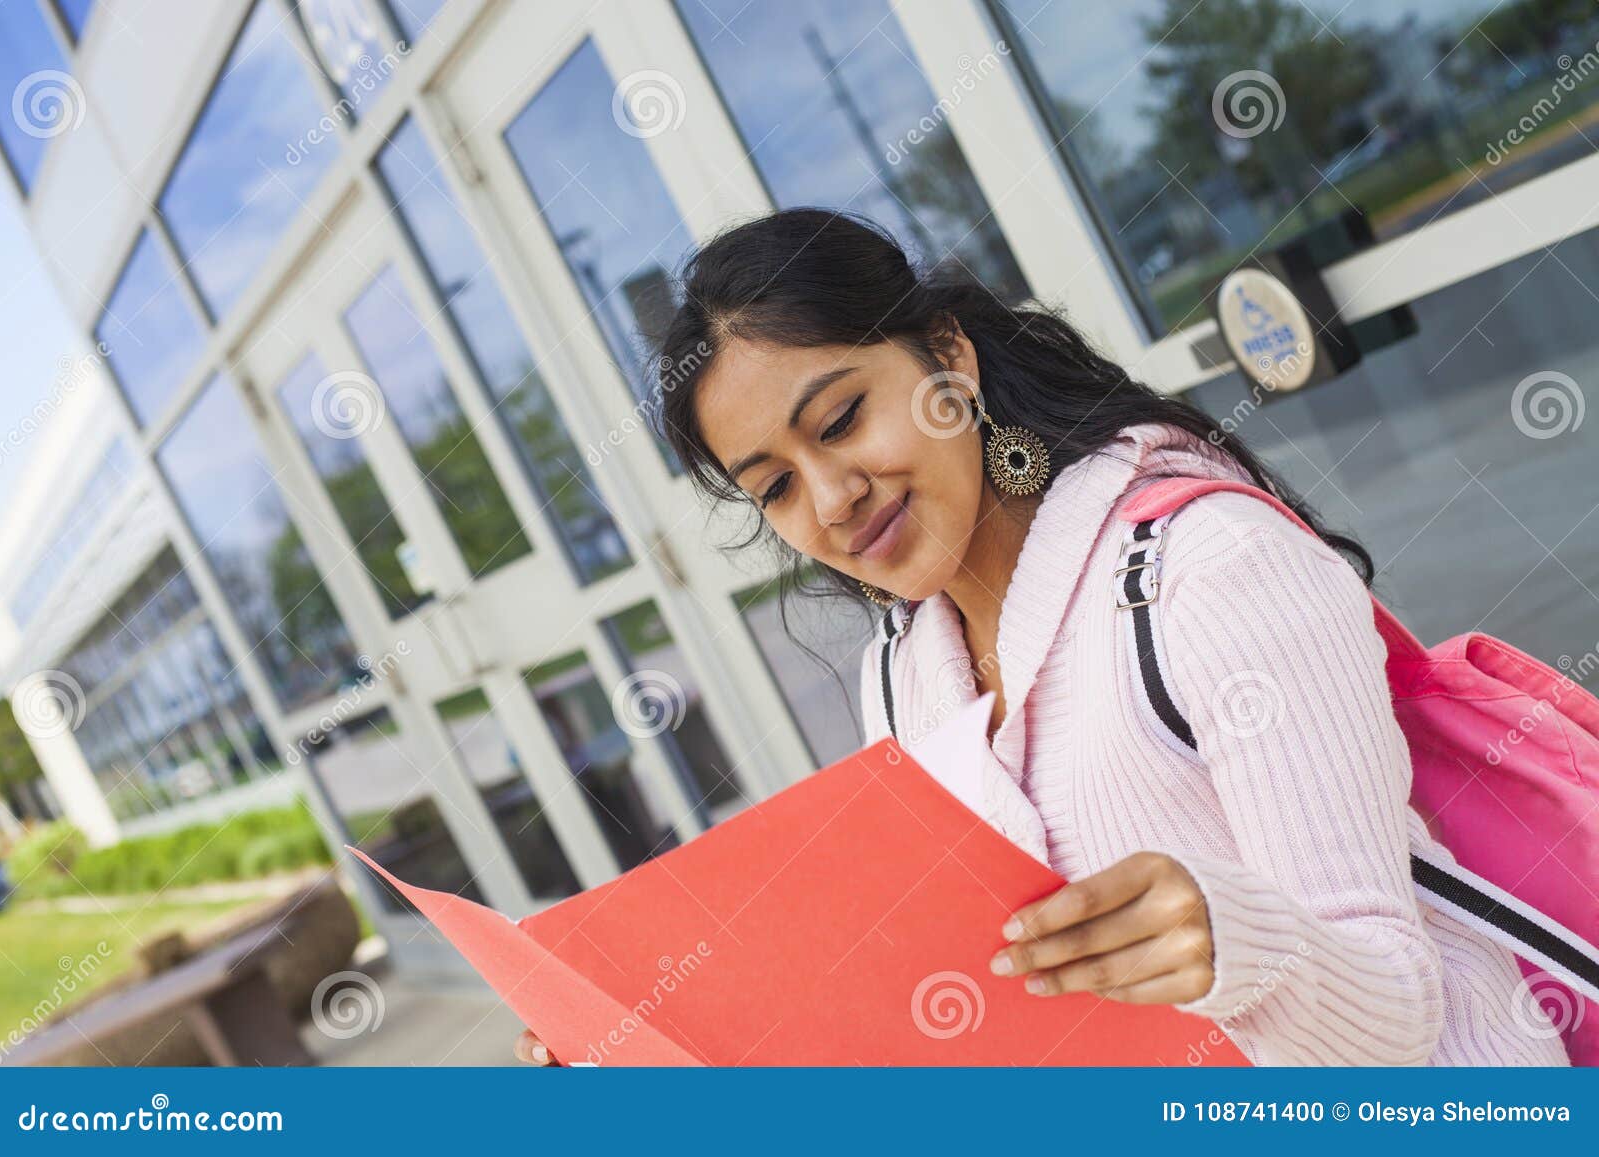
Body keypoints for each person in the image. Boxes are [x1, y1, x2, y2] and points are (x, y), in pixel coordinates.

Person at [516, 208, 1567, 1066]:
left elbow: (1394, 1020)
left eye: (839, 421)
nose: (831, 499)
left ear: (948, 356)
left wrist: (1235, 940)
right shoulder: (903, 682)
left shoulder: (1210, 569)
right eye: (776, 487)